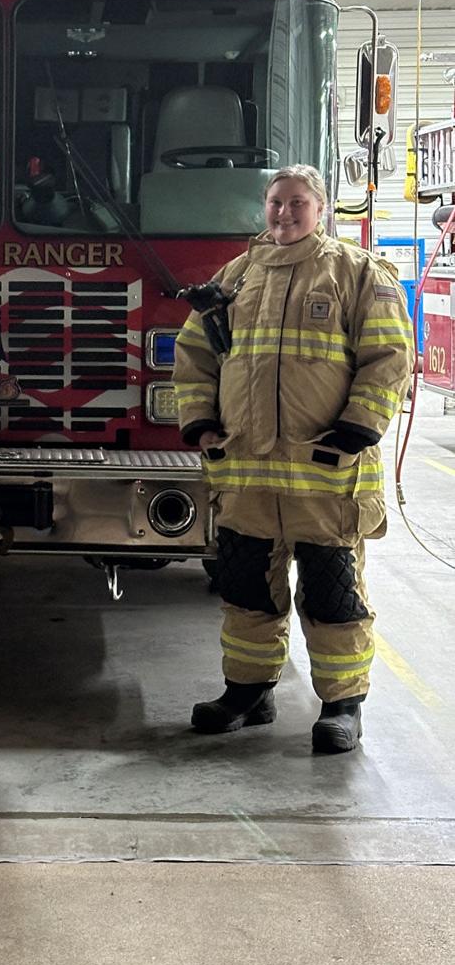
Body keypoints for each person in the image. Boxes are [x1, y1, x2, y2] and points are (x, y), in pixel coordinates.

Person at [173, 165, 413, 753]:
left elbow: (389, 355)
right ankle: (247, 692)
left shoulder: (357, 272)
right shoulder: (236, 276)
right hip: (247, 476)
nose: (285, 213)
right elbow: (194, 352)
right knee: (246, 588)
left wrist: (359, 427)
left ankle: (342, 705)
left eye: (297, 202)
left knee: (332, 594)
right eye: (276, 203)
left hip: (327, 475)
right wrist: (200, 421)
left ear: (323, 208)